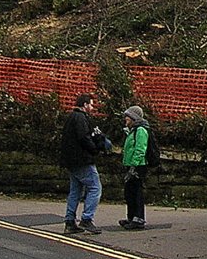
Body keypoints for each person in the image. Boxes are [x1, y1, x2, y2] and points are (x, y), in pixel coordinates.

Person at [59, 93, 111, 235]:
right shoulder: (80, 118)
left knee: (75, 190)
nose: (92, 107)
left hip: (71, 160)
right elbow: (84, 137)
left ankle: (70, 222)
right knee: (95, 188)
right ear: (85, 104)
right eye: (91, 104)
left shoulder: (71, 117)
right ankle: (87, 219)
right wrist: (94, 149)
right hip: (82, 160)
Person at [117, 105, 151, 230]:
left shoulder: (141, 130)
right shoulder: (132, 130)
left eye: (128, 116)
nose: (125, 118)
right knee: (129, 192)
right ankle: (131, 217)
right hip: (131, 164)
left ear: (134, 118)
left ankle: (138, 218)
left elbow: (140, 149)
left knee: (136, 192)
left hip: (138, 166)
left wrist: (134, 166)